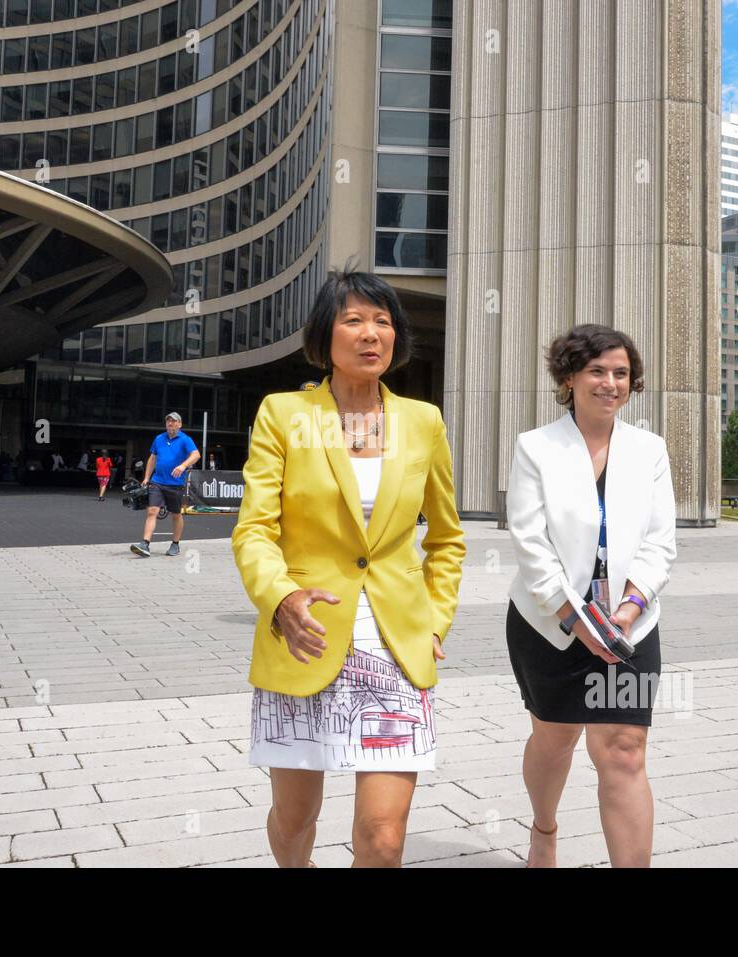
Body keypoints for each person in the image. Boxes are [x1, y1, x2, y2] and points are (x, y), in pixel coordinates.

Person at [232, 268, 465, 867]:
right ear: (325, 335)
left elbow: (446, 537)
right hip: (303, 640)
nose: (371, 334)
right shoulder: (285, 413)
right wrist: (281, 598)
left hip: (395, 647)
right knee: (294, 822)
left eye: (383, 321)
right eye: (354, 319)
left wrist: (435, 621)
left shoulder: (424, 422)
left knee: (383, 837)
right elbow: (255, 529)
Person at [506, 324, 677, 868]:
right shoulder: (536, 447)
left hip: (629, 625)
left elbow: (659, 542)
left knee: (623, 749)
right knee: (554, 740)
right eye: (597, 371)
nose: (610, 383)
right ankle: (544, 830)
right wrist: (576, 620)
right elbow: (530, 544)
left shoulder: (650, 450)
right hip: (549, 624)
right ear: (570, 378)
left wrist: (626, 612)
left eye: (621, 373)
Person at [130, 413, 199, 557]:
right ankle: (145, 544)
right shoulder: (159, 439)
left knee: (176, 514)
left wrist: (183, 466)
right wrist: (147, 477)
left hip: (175, 484)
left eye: (174, 421)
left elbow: (196, 455)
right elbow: (152, 458)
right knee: (152, 511)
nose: (170, 424)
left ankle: (175, 544)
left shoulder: (185, 440)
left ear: (180, 424)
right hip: (157, 482)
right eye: (168, 421)